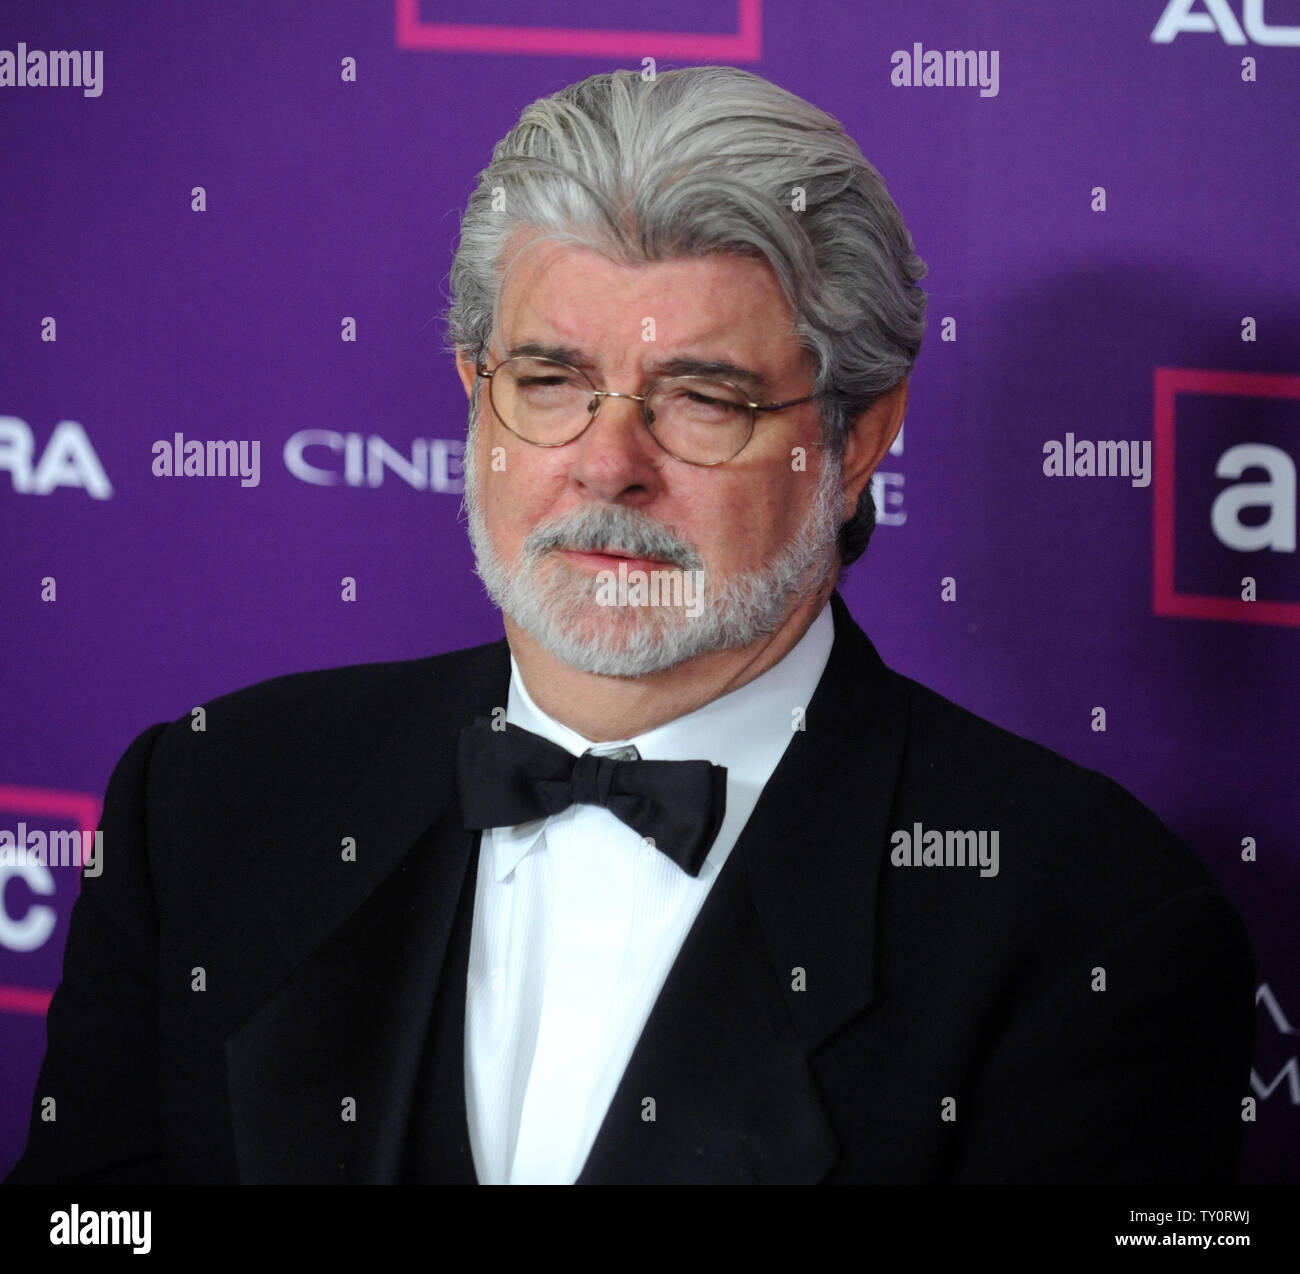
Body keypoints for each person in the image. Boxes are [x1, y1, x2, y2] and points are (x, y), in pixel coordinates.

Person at [7, 66, 1253, 1185]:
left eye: (701, 397)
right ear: (473, 395)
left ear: (857, 439)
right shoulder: (213, 793)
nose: (607, 465)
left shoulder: (1086, 919)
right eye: (550, 382)